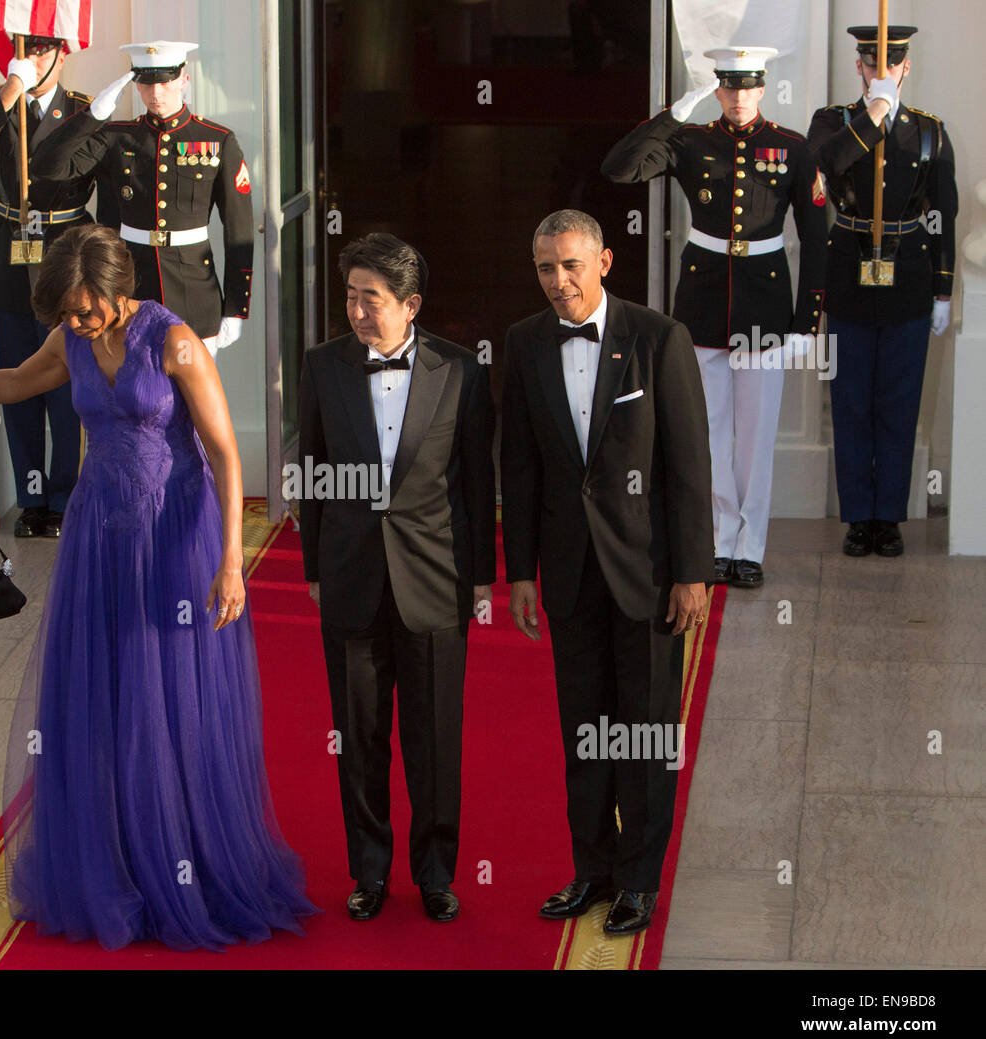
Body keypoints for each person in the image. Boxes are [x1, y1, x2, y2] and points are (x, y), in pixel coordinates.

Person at [0, 224, 314, 951]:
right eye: (66, 314)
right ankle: (115, 854)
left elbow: (222, 449)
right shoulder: (70, 339)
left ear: (119, 291)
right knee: (105, 692)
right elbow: (20, 380)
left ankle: (182, 858)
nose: (76, 323)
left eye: (85, 310)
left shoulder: (173, 340)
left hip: (175, 532)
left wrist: (230, 562)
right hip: (99, 533)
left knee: (166, 695)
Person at [502, 210, 712, 935]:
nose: (558, 282)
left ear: (604, 262)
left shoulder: (660, 339)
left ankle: (640, 881)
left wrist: (693, 571)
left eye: (570, 265)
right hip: (567, 574)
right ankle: (590, 870)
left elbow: (689, 465)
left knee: (646, 731)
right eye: (544, 268)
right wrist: (520, 571)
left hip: (648, 574)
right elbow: (519, 465)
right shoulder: (524, 344)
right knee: (586, 729)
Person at [298, 233, 496, 923]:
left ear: (410, 305)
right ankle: (369, 871)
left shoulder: (463, 371)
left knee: (435, 738)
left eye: (370, 299)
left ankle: (436, 871)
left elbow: (475, 480)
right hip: (351, 575)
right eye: (350, 296)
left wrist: (480, 579)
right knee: (359, 734)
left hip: (435, 578)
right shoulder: (321, 366)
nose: (356, 310)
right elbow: (313, 472)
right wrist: (315, 566)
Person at [602, 47, 826, 590]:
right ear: (718, 89)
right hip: (702, 300)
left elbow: (818, 241)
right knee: (707, 431)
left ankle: (750, 546)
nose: (739, 98)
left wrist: (806, 321)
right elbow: (620, 169)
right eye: (729, 88)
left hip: (766, 303)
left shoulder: (792, 148)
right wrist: (673, 115)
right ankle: (718, 540)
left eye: (749, 88)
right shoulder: (691, 140)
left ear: (763, 89)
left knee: (754, 436)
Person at [807, 25, 956, 559]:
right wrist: (871, 118)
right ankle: (857, 517)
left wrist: (943, 291)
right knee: (850, 403)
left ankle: (888, 516)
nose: (881, 75)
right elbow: (824, 167)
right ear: (859, 67)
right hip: (848, 273)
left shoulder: (930, 133)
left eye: (891, 66)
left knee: (898, 402)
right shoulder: (833, 122)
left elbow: (941, 216)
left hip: (908, 275)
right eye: (872, 65)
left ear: (906, 68)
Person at [29, 41, 252, 357]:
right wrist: (92, 116)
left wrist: (236, 307)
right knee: (134, 397)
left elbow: (239, 232)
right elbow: (45, 166)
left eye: (165, 81)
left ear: (183, 79)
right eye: (146, 83)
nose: (156, 93)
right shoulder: (118, 136)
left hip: (193, 290)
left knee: (191, 400)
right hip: (130, 291)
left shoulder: (216, 140)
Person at [0, 34, 96, 538]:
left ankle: (64, 497)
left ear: (64, 53)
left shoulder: (83, 109)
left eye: (43, 51)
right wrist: (12, 88)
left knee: (65, 383)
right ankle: (31, 496)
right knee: (16, 383)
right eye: (26, 50)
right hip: (7, 256)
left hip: (64, 252)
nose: (33, 60)